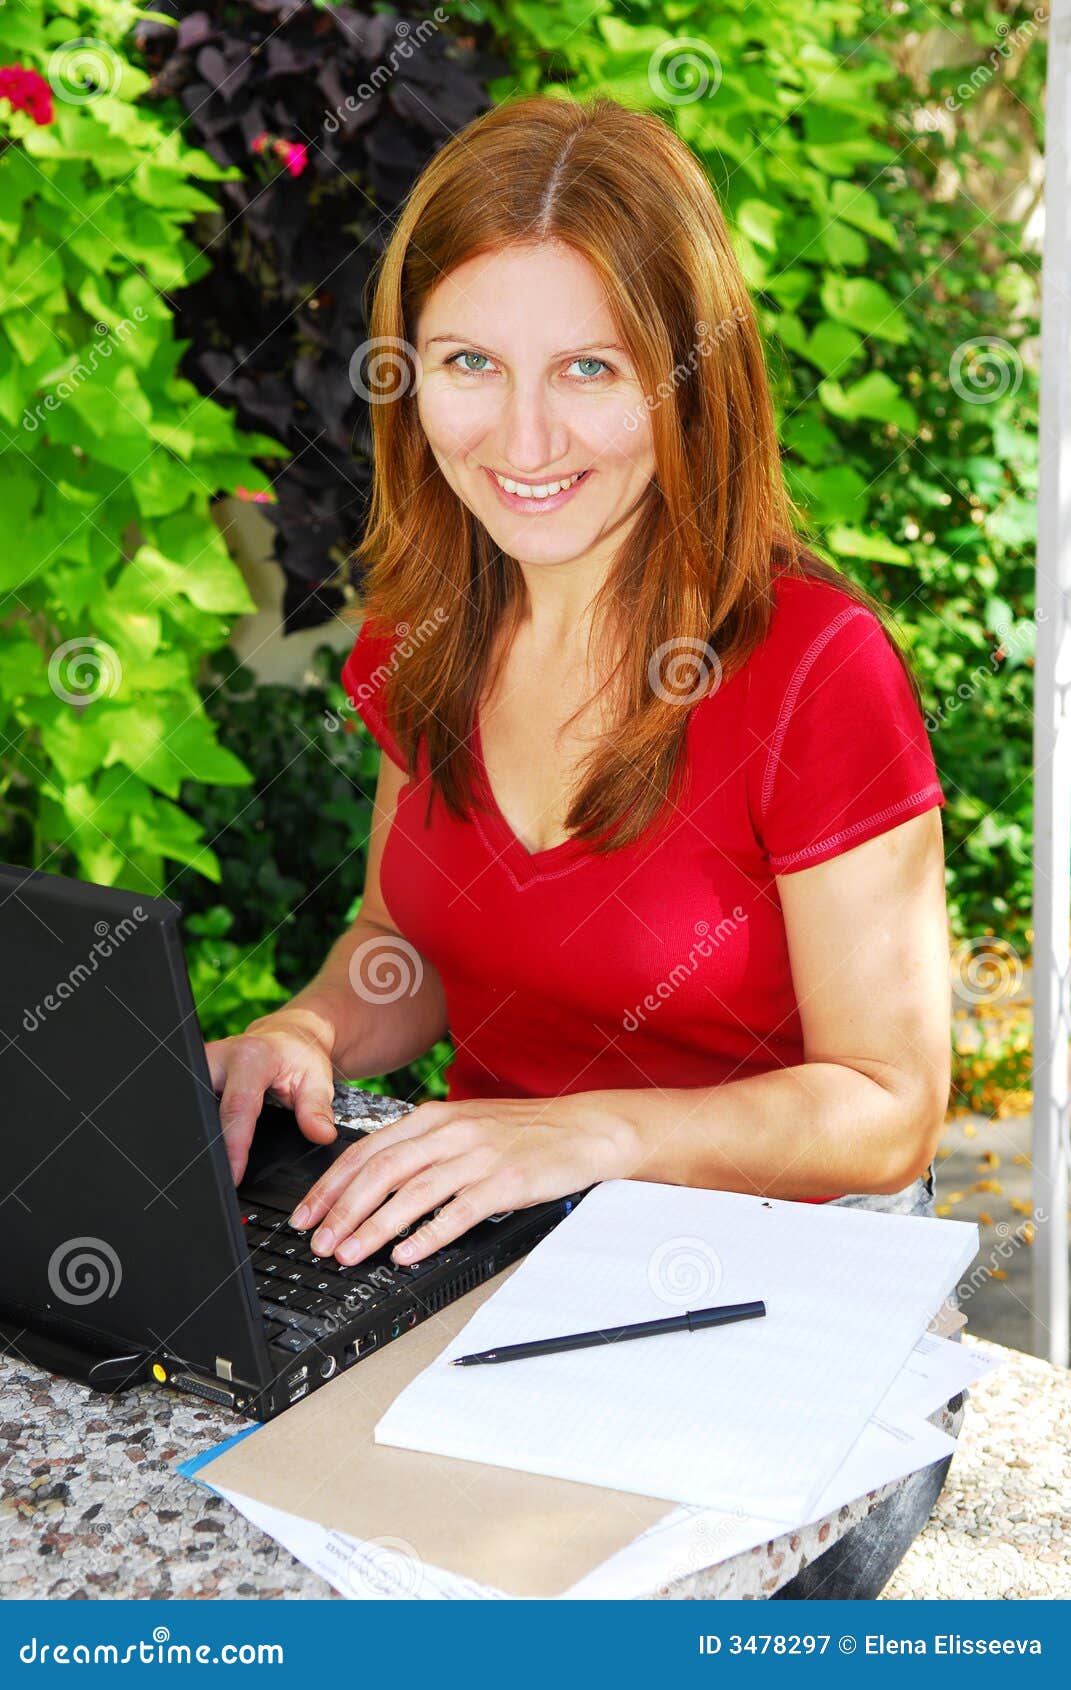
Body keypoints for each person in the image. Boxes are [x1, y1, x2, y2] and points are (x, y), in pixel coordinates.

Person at [207, 95, 960, 1597]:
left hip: (780, 1307)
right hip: (502, 1266)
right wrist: (306, 1026)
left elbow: (891, 1106)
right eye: (471, 364)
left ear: (694, 382)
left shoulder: (818, 668)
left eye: (592, 370)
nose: (524, 438)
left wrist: (597, 1129)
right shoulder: (420, 629)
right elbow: (406, 947)